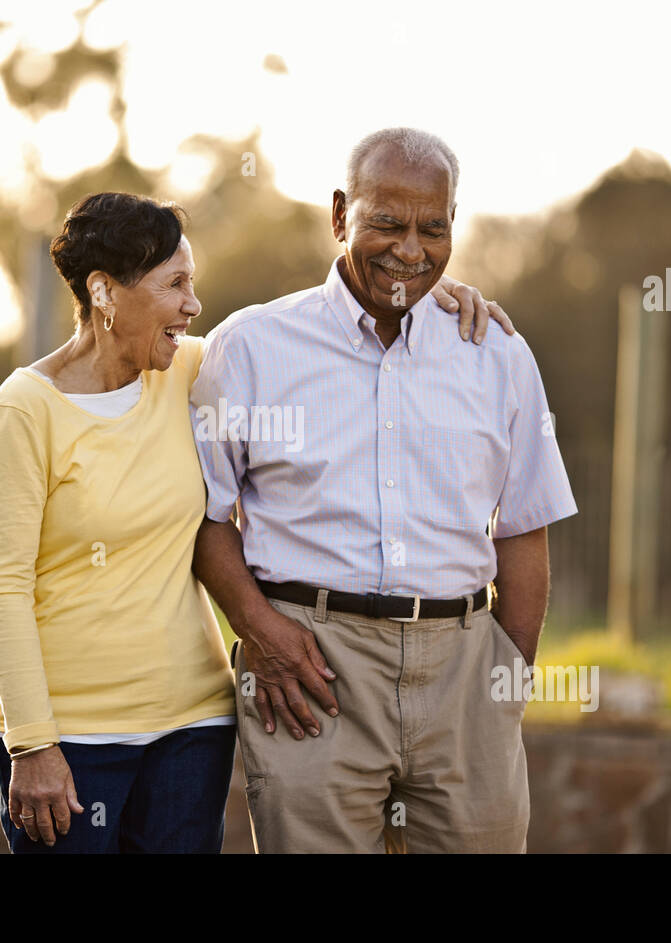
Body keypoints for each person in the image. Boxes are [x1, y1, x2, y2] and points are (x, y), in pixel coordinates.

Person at [0, 190, 511, 853]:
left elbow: (309, 335)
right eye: (174, 285)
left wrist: (422, 285)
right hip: (70, 739)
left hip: (189, 732)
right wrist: (31, 742)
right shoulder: (24, 412)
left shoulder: (188, 370)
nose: (193, 306)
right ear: (105, 293)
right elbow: (0, 592)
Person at [190, 127, 578, 853]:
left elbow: (524, 524)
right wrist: (258, 629)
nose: (411, 249)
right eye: (388, 223)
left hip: (465, 666)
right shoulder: (249, 347)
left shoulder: (496, 353)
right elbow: (208, 517)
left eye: (434, 227)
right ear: (341, 215)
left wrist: (507, 671)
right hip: (308, 667)